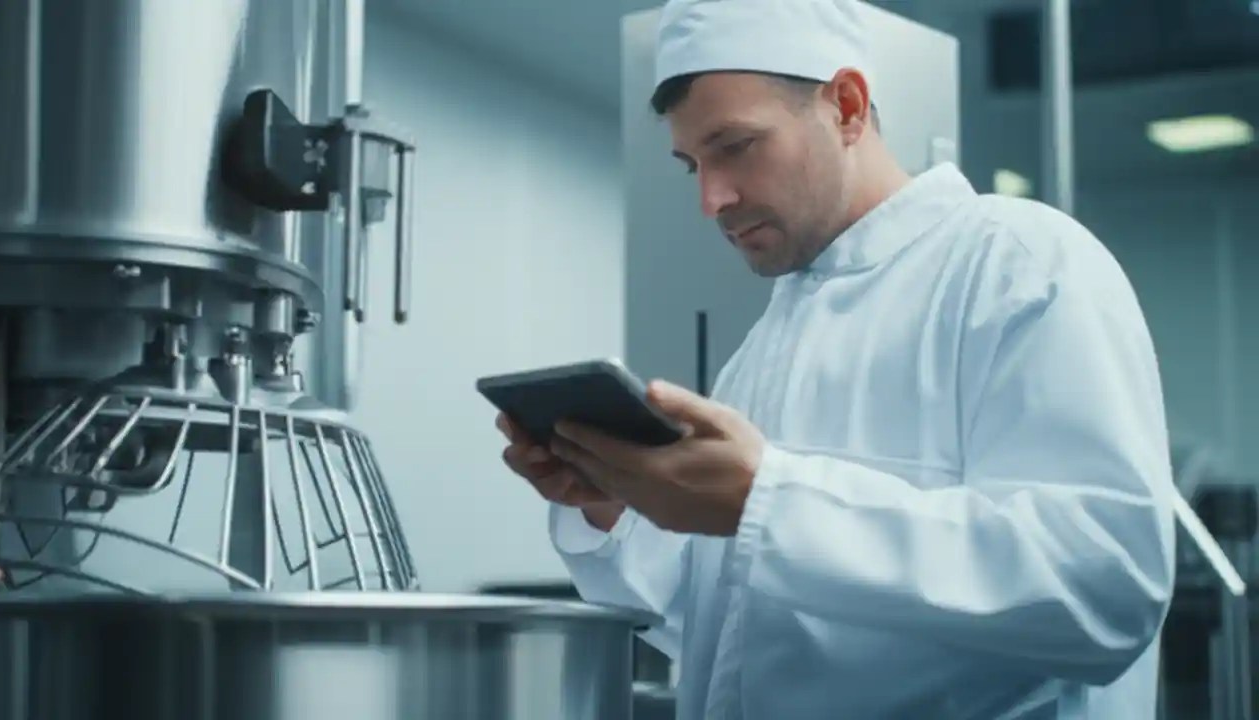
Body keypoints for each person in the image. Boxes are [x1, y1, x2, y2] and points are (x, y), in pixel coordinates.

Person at [497, 0, 1176, 716]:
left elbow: (1104, 591)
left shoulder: (1018, 263)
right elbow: (732, 629)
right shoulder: (765, 346)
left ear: (846, 106)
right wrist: (614, 506)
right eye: (692, 162)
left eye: (736, 145)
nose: (711, 199)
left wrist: (767, 502)